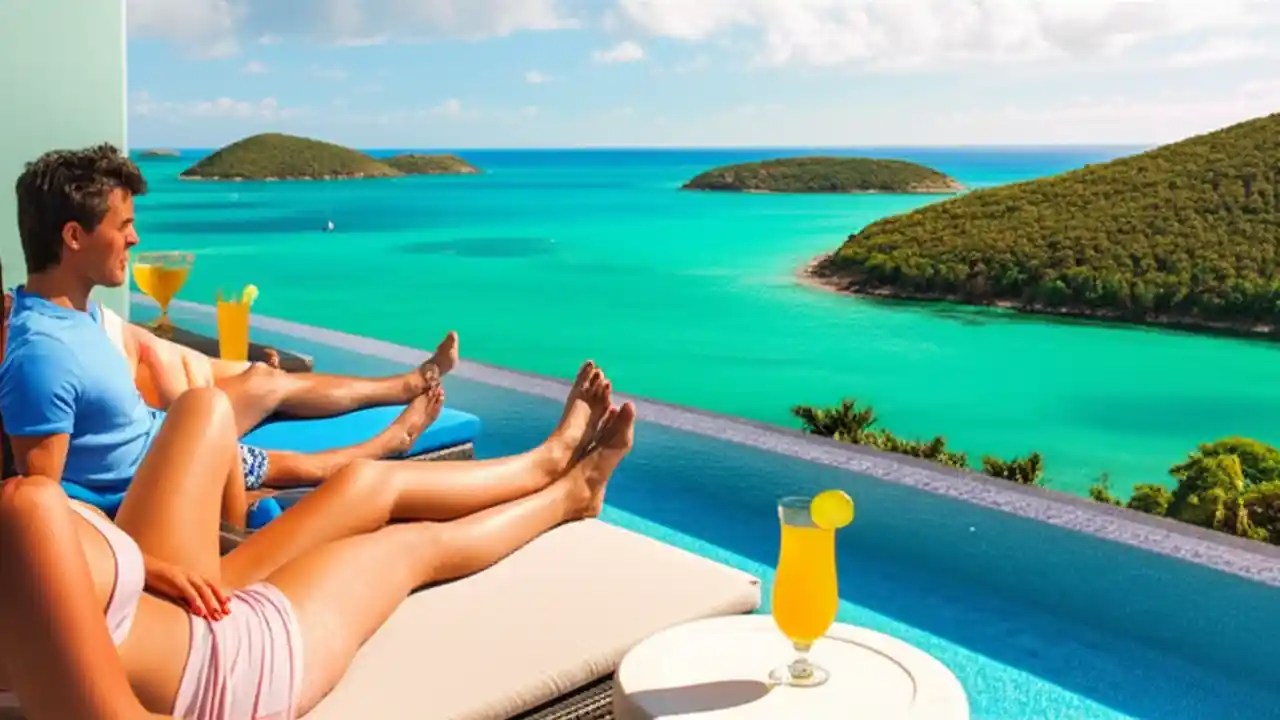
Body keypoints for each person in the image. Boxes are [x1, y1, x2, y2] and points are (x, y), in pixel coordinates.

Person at [0, 377, 636, 719]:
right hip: (224, 665)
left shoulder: (25, 512)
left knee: (222, 417)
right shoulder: (25, 512)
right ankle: (569, 494)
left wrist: (144, 568)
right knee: (406, 547)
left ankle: (544, 461)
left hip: (164, 604)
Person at [0, 144, 462, 502]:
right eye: (123, 226)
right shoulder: (44, 353)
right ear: (74, 237)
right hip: (176, 467)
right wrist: (191, 512)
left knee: (264, 379)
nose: (134, 238)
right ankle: (391, 440)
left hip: (171, 434)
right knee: (300, 466)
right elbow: (49, 507)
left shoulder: (78, 317)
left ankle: (403, 384)